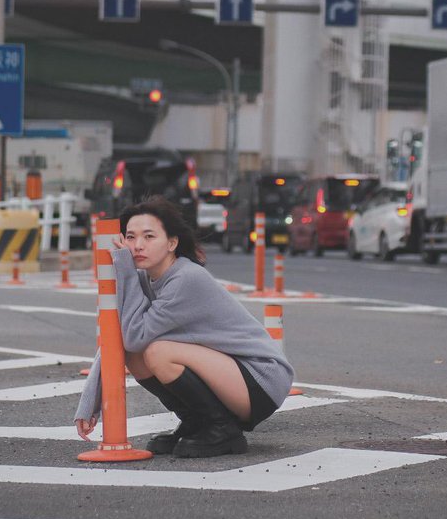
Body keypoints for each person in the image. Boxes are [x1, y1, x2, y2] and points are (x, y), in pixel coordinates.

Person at [74, 196, 294, 458]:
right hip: (230, 372)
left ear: (172, 243)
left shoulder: (185, 279)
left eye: (149, 236)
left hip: (261, 378)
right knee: (136, 355)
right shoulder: (146, 277)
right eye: (130, 237)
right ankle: (196, 423)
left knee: (158, 352)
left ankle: (222, 429)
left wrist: (125, 271)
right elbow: (120, 339)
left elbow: (134, 336)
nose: (137, 245)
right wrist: (89, 404)